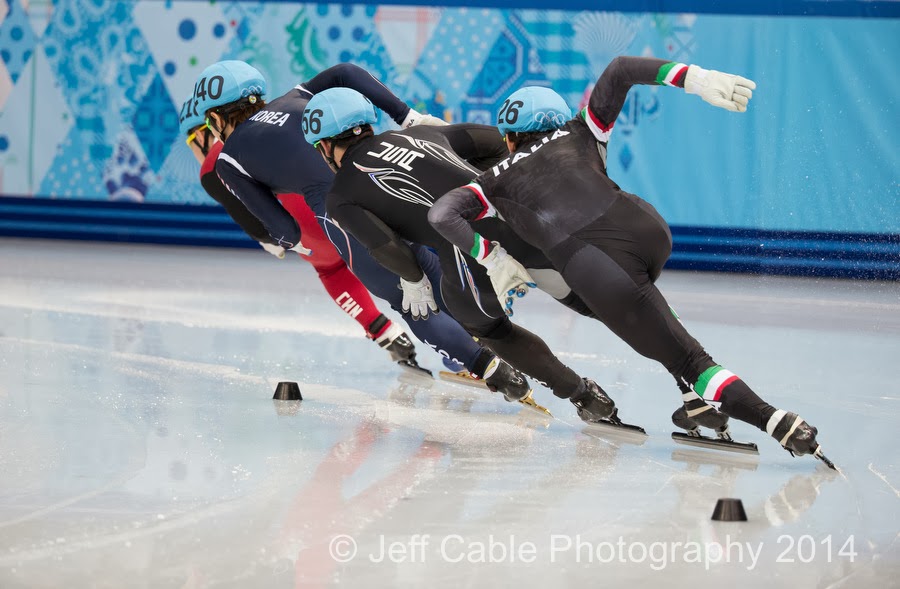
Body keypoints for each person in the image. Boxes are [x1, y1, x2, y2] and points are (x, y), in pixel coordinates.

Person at [427, 55, 833, 465]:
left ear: (511, 138)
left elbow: (441, 215)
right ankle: (694, 400)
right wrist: (696, 79)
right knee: (645, 311)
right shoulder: (580, 130)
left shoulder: (493, 181)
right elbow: (621, 69)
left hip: (598, 265)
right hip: (648, 230)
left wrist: (489, 256)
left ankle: (778, 423)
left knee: (687, 357)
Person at [186, 60, 530, 399]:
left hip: (343, 213)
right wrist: (406, 116)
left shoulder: (227, 159)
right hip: (386, 183)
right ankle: (504, 345)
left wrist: (287, 242)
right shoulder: (295, 96)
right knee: (435, 272)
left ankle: (493, 370)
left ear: (215, 118)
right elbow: (345, 72)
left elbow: (285, 230)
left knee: (410, 302)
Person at [299, 86, 627, 425]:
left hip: (469, 250)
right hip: (523, 218)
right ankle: (665, 351)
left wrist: (414, 280)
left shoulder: (340, 195)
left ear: (325, 146)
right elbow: (499, 143)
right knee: (598, 304)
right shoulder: (422, 133)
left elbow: (386, 247)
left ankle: (585, 396)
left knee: (489, 329)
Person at [178, 99, 435, 370]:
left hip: (306, 229)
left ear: (204, 133)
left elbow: (253, 222)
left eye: (190, 142)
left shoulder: (214, 164)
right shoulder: (273, 119)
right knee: (412, 266)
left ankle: (382, 330)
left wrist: (270, 241)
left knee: (331, 270)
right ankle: (457, 327)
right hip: (343, 201)